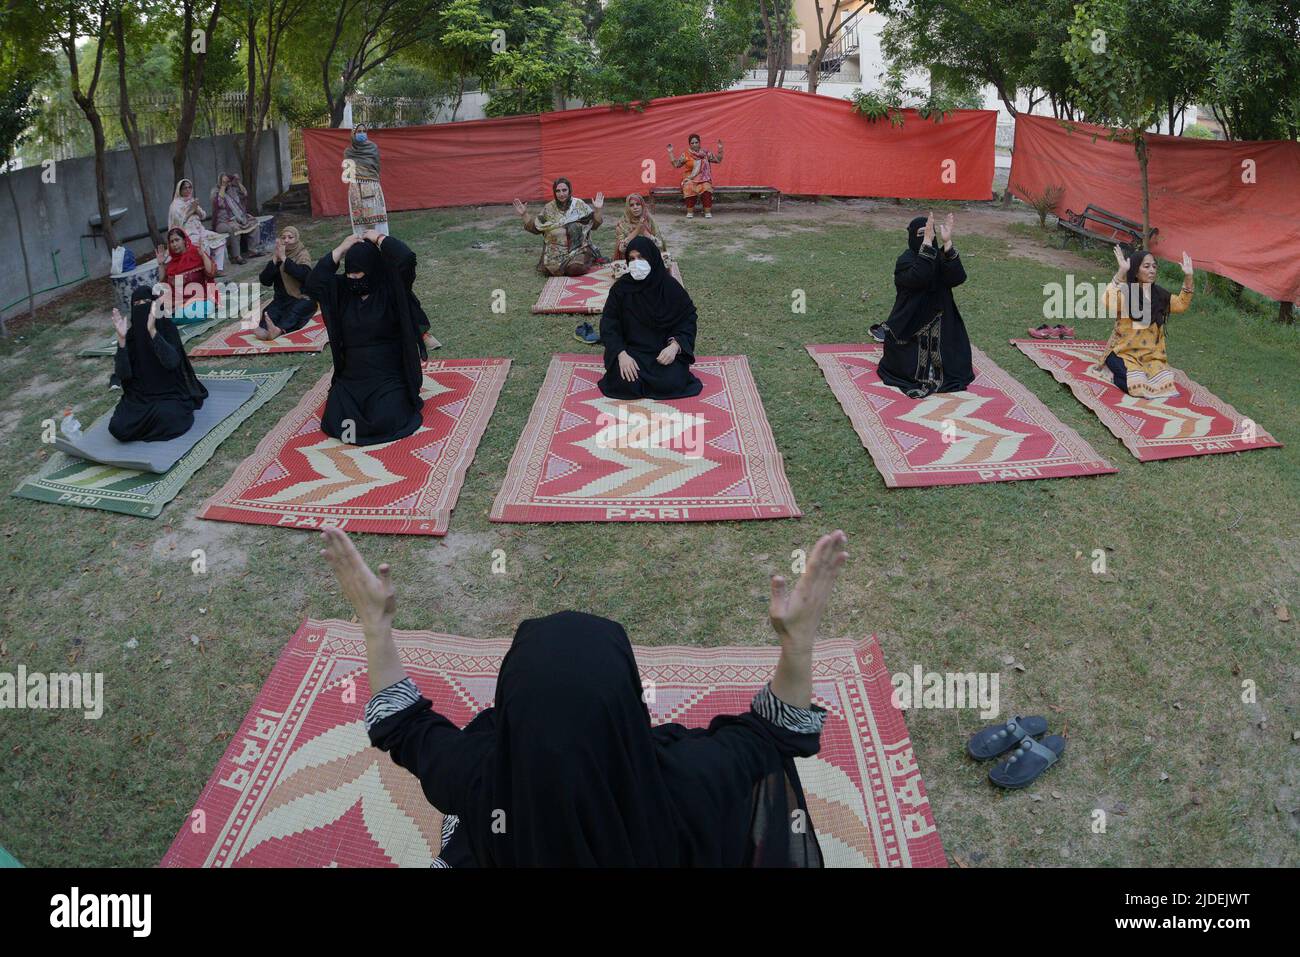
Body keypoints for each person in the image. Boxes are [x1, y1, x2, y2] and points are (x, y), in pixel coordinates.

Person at [319, 522, 849, 867]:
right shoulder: (688, 784)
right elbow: (775, 734)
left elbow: (402, 724)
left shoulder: (483, 785)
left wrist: (376, 628)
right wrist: (798, 643)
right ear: (628, 707)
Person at [305, 230, 424, 446]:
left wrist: (379, 238)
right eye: (349, 274)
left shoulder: (391, 288)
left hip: (387, 375)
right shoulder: (341, 291)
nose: (353, 279)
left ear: (371, 270)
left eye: (359, 275)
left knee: (386, 418)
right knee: (339, 419)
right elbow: (314, 284)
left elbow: (406, 258)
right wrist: (341, 248)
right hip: (352, 377)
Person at [873, 212, 974, 399]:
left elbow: (958, 277)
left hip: (943, 319)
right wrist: (926, 244)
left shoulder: (939, 256)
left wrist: (947, 243)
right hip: (910, 323)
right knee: (905, 365)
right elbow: (919, 277)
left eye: (928, 233)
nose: (925, 237)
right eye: (921, 234)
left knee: (953, 365)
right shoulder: (905, 261)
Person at [597, 236, 702, 400]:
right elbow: (609, 324)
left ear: (652, 257)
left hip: (663, 353)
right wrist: (621, 354)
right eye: (631, 259)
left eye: (641, 257)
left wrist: (675, 346)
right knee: (624, 382)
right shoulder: (620, 289)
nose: (636, 263)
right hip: (631, 352)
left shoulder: (669, 287)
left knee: (672, 381)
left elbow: (687, 318)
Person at [107, 285, 209, 442]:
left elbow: (172, 363)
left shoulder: (167, 328)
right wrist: (121, 341)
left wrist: (152, 331)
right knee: (117, 427)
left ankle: (146, 427)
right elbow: (123, 375)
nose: (142, 307)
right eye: (137, 304)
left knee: (170, 417)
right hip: (139, 399)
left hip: (169, 395)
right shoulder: (131, 337)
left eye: (146, 302)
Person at [1095, 245, 1195, 399]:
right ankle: (1110, 370)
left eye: (1154, 266)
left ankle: (1139, 375)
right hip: (1122, 353)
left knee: (1165, 383)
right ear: (1135, 270)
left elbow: (1181, 304)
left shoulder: (1159, 295)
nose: (1152, 270)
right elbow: (1108, 301)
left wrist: (1188, 276)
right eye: (1146, 266)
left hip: (1150, 356)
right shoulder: (1127, 292)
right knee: (1136, 385)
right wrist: (1121, 271)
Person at [513, 178, 605, 277]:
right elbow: (536, 228)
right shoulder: (549, 209)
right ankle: (565, 266)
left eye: (564, 190)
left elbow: (594, 225)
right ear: (554, 192)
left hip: (578, 249)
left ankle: (588, 258)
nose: (561, 194)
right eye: (558, 191)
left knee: (575, 269)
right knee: (546, 270)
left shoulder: (578, 205)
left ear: (569, 190)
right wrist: (524, 214)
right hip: (555, 252)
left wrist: (598, 210)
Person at [252, 226, 317, 340]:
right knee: (269, 312)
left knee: (295, 312)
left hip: (301, 297)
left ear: (296, 239)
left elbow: (304, 276)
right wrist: (275, 259)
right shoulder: (277, 258)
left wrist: (284, 258)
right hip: (282, 299)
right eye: (283, 238)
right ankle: (267, 328)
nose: (286, 240)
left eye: (290, 237)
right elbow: (265, 281)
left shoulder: (302, 254)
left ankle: (278, 330)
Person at [155, 227, 219, 322]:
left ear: (184, 240)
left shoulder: (196, 254)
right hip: (181, 304)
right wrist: (161, 264)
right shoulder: (171, 264)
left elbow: (211, 273)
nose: (174, 244)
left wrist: (203, 255)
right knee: (160, 314)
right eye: (171, 242)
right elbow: (163, 283)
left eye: (177, 240)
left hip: (203, 300)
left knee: (188, 312)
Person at [168, 179, 225, 272]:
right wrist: (191, 210)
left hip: (200, 230)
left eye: (189, 187)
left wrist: (196, 208)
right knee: (204, 245)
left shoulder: (191, 200)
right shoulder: (175, 205)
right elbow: (178, 223)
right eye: (185, 188)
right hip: (187, 233)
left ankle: (218, 268)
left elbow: (203, 216)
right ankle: (206, 270)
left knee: (220, 240)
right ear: (180, 190)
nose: (188, 190)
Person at [344, 125, 389, 237]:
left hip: (373, 185)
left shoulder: (373, 148)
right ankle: (361, 243)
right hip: (355, 187)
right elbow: (348, 173)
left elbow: (376, 168)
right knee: (359, 217)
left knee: (378, 217)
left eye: (364, 131)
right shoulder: (349, 152)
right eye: (359, 131)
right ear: (353, 134)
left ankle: (381, 242)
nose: (362, 133)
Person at [668, 134, 723, 219]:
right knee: (689, 186)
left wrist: (720, 149)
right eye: (692, 143)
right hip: (690, 178)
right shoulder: (686, 154)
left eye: (696, 142)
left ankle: (707, 212)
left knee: (706, 187)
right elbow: (676, 165)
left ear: (699, 143)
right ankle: (690, 212)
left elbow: (718, 160)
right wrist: (670, 152)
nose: (694, 144)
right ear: (689, 144)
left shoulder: (705, 153)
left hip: (704, 178)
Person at [211, 173, 258, 265]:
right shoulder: (215, 192)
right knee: (234, 229)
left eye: (228, 182)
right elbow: (219, 203)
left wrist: (238, 182)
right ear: (220, 181)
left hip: (236, 218)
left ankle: (252, 250)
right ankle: (237, 256)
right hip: (222, 222)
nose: (227, 184)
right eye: (224, 182)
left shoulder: (232, 190)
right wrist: (223, 186)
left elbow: (244, 194)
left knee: (254, 222)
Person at [613, 193, 667, 258]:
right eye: (631, 205)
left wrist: (645, 233)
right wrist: (637, 231)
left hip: (650, 257)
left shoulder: (649, 221)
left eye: (638, 204)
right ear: (628, 208)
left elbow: (660, 245)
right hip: (630, 260)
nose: (635, 207)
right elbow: (621, 249)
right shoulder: (622, 224)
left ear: (642, 206)